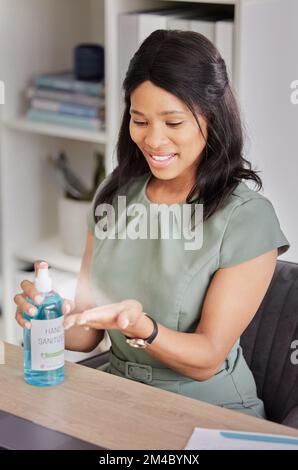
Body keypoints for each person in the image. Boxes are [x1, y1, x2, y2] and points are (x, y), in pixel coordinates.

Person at [15, 30, 290, 418]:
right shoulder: (114, 196)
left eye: (173, 122)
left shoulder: (247, 217)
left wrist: (142, 327)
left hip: (209, 410)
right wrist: (53, 318)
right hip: (120, 398)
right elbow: (87, 332)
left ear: (212, 118)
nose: (154, 140)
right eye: (139, 120)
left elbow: (208, 357)